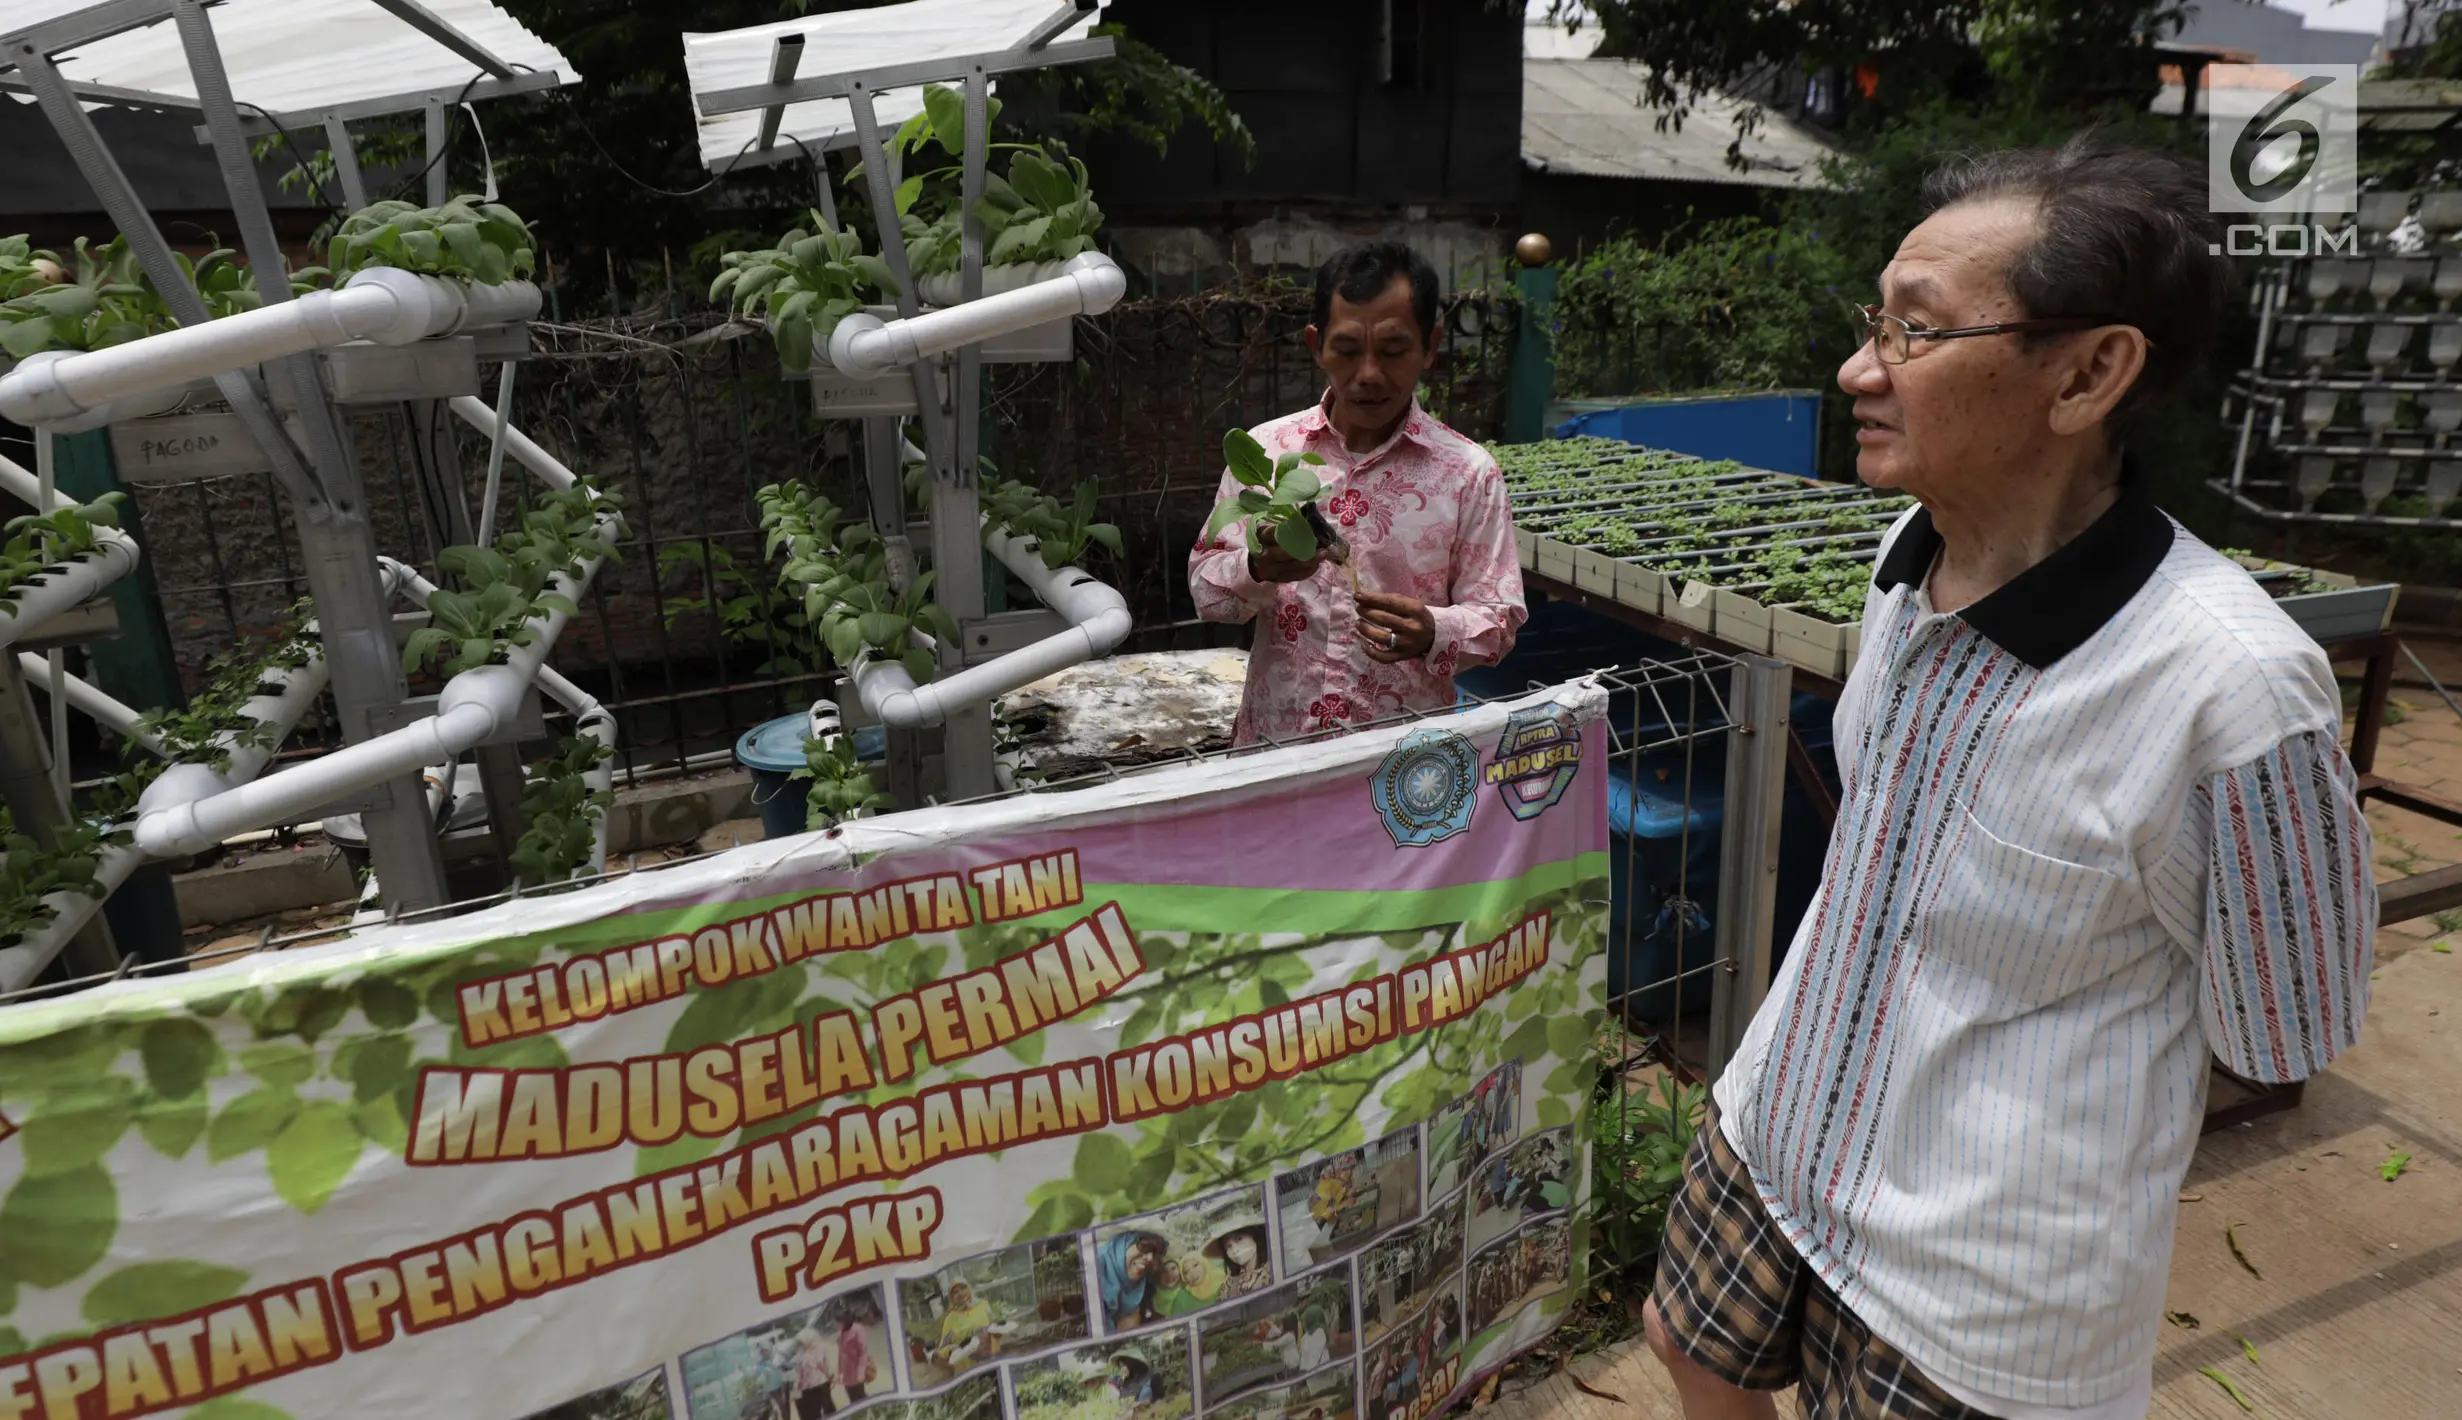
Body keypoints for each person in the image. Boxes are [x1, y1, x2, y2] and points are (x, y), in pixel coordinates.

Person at [1645, 140, 2377, 1420]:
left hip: (1976, 1267)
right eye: (1873, 320)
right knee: (1684, 1340)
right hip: (1780, 1115)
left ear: (2088, 373)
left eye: (1913, 331)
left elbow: (2286, 1028)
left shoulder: (2232, 692)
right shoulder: (1907, 551)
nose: (1857, 368)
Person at [1188, 241, 1525, 744]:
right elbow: (1206, 590)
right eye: (1347, 351)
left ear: (1430, 346)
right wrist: (1256, 568)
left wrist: (1435, 632)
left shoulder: (1469, 474)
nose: (1368, 374)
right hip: (1276, 752)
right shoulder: (1267, 453)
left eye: (1393, 350)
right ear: (1316, 345)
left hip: (1402, 766)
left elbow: (1499, 621)